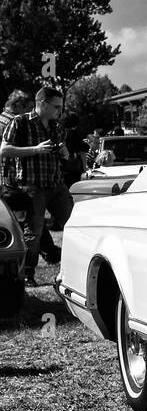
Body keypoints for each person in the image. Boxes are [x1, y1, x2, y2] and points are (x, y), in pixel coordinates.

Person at [0, 87, 74, 286]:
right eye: (57, 106)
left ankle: (75, 269)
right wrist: (36, 149)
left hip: (56, 185)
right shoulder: (20, 122)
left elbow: (59, 153)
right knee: (34, 234)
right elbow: (4, 150)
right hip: (33, 187)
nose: (60, 110)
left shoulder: (57, 127)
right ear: (42, 103)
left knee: (75, 226)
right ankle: (27, 275)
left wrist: (64, 152)